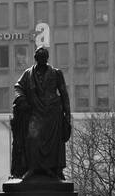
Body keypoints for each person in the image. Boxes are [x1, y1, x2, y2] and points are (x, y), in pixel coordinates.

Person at [10, 46, 71, 180]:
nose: (41, 60)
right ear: (35, 59)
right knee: (32, 139)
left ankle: (55, 170)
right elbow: (18, 87)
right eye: (39, 58)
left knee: (54, 143)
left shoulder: (56, 73)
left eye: (43, 58)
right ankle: (32, 168)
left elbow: (64, 94)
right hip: (35, 113)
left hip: (52, 114)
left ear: (46, 59)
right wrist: (21, 99)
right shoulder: (28, 73)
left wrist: (67, 115)